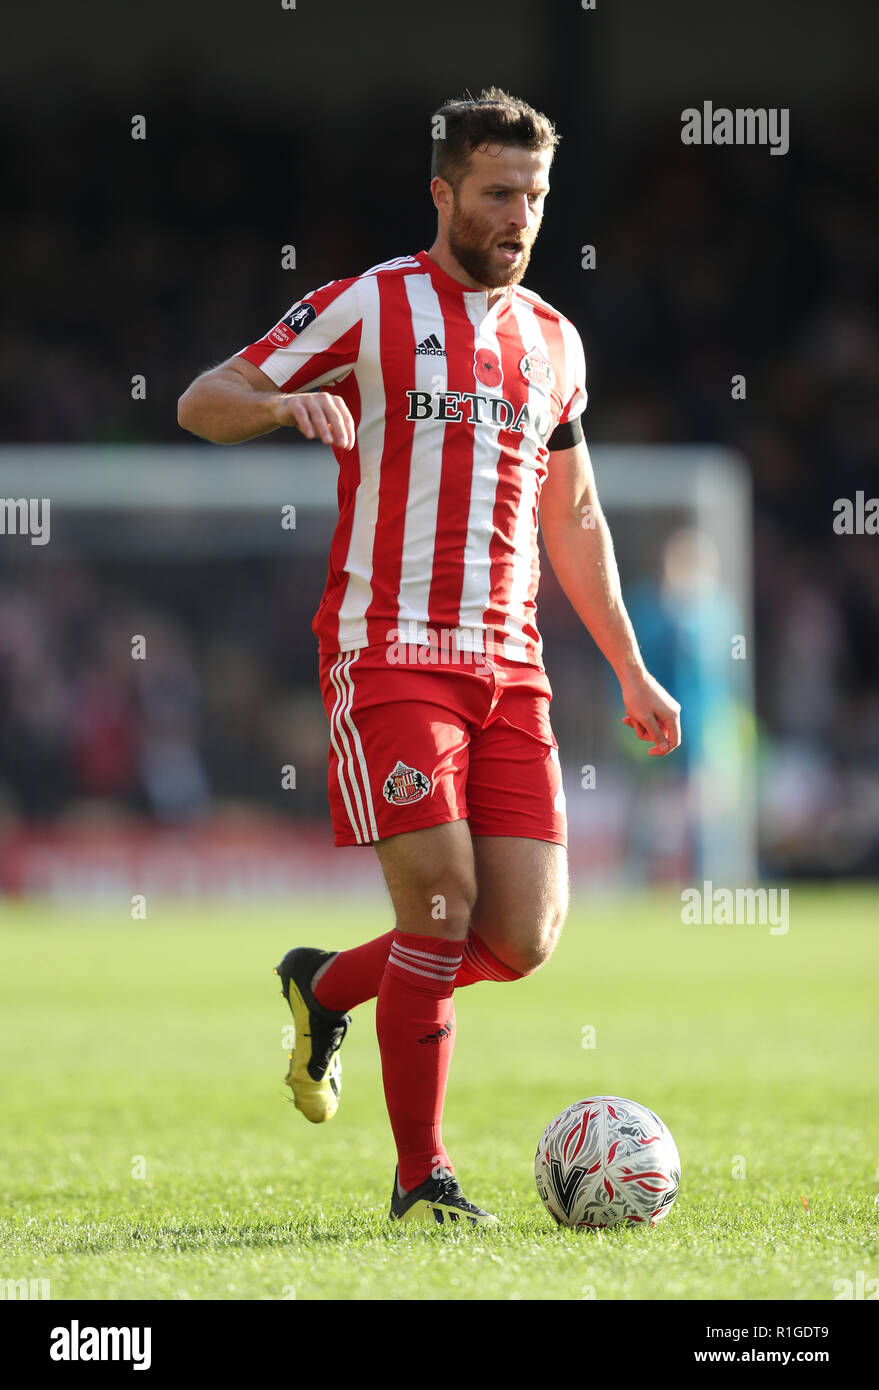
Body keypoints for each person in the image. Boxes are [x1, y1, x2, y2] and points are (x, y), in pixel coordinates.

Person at [177, 87, 681, 1226]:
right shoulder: (369, 305)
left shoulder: (556, 341)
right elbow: (205, 398)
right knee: (444, 903)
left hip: (512, 666)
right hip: (388, 651)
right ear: (445, 192)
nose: (519, 216)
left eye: (537, 197)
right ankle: (424, 1178)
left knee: (522, 935)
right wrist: (278, 408)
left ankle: (326, 983)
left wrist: (634, 667)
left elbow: (579, 517)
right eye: (499, 193)